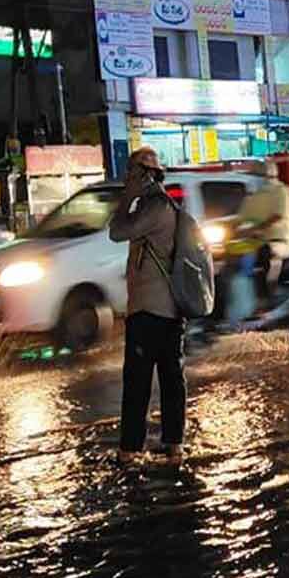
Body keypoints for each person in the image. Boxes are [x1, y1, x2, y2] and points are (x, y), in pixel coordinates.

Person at [108, 147, 184, 466]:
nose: (127, 179)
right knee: (171, 378)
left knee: (138, 382)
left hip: (149, 312)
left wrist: (127, 198)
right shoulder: (167, 206)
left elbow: (116, 232)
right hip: (169, 311)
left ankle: (130, 450)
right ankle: (173, 445)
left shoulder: (153, 208)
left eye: (131, 173)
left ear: (144, 175)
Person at [225, 163, 289, 324]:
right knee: (235, 263)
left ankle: (265, 303)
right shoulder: (254, 196)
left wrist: (257, 228)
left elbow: (277, 216)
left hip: (282, 241)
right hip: (258, 243)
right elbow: (241, 218)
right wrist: (232, 228)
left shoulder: (282, 192)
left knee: (263, 259)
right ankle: (246, 307)